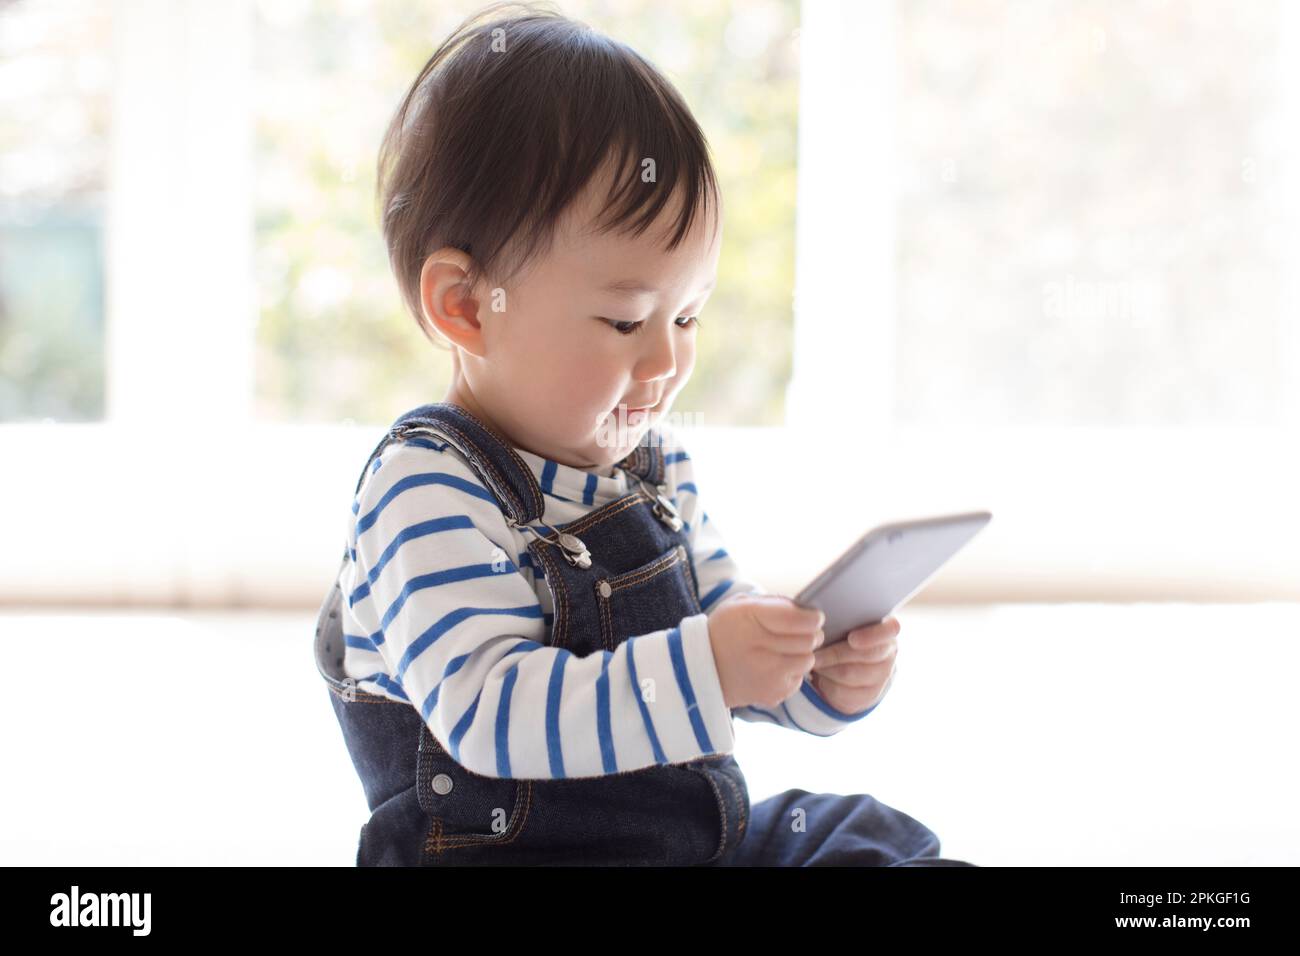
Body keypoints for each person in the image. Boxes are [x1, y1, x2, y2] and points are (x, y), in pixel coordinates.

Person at [313, 0, 974, 867]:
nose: (668, 360)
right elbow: (488, 713)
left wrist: (805, 671)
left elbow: (722, 618)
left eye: (689, 315)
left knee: (859, 838)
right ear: (468, 306)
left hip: (688, 844)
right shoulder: (424, 489)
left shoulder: (654, 467)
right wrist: (707, 668)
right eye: (626, 322)